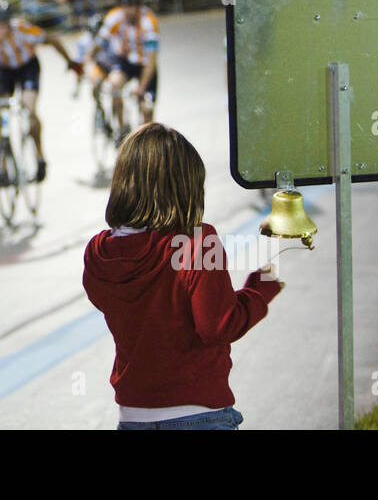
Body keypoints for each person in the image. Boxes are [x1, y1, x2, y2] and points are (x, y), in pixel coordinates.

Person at [83, 123, 283, 430]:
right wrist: (259, 291)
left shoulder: (100, 252)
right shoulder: (197, 242)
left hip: (133, 415)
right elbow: (218, 325)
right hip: (198, 412)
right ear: (184, 186)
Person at [0, 0, 77, 184]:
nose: (1, 30)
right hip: (6, 71)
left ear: (9, 23)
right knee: (3, 117)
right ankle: (2, 164)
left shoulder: (23, 29)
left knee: (29, 107)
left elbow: (52, 40)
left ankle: (40, 155)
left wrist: (69, 61)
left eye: (4, 24)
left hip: (28, 67)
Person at [97, 0, 161, 140]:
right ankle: (122, 127)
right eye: (125, 6)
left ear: (139, 6)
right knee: (114, 84)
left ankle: (148, 140)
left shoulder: (149, 22)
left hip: (145, 65)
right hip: (125, 62)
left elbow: (151, 61)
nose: (129, 10)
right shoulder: (114, 17)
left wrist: (141, 88)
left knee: (146, 109)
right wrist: (87, 61)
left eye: (133, 6)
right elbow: (99, 44)